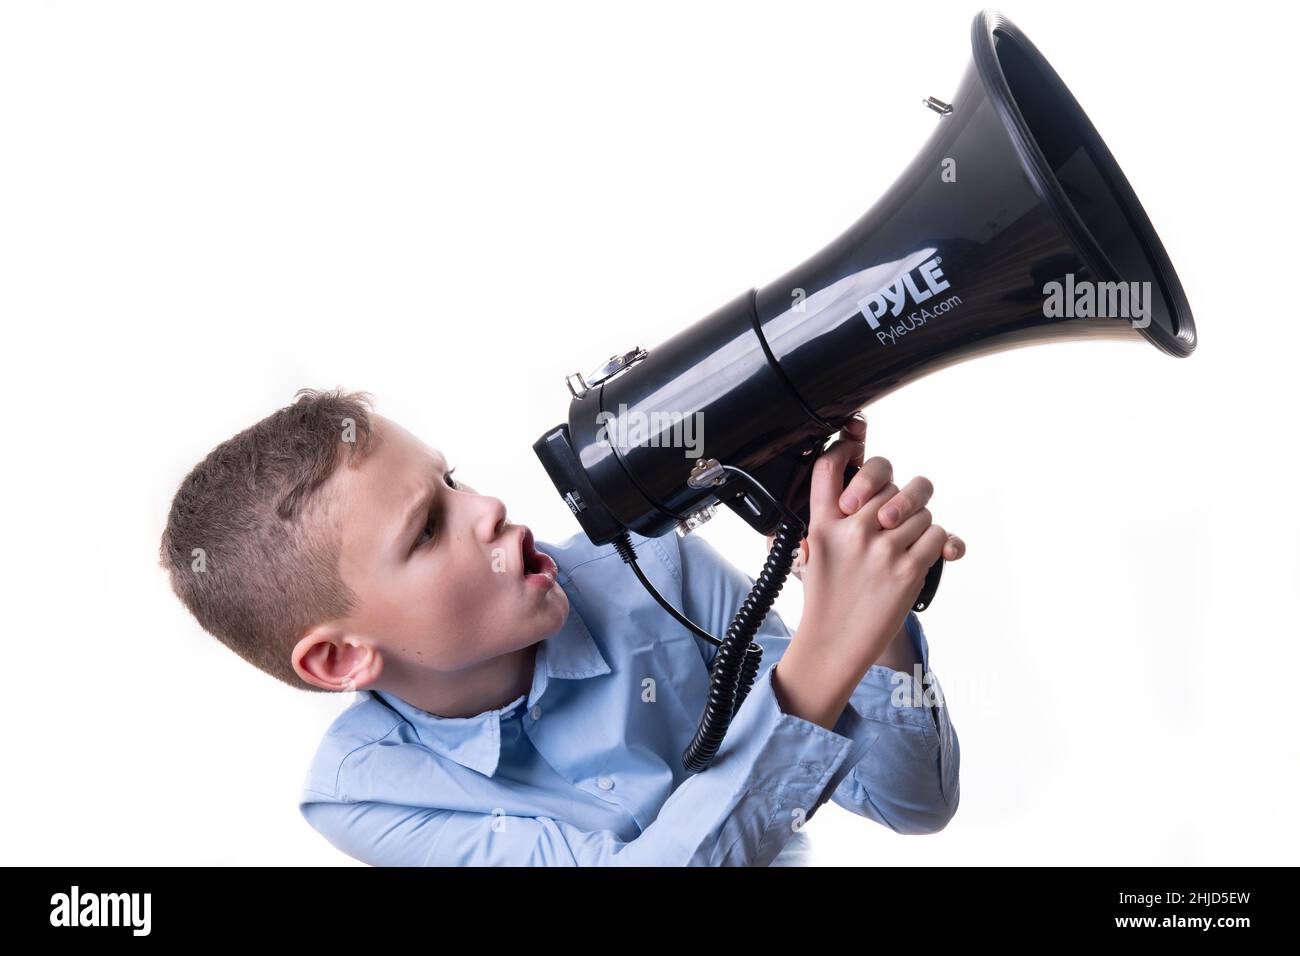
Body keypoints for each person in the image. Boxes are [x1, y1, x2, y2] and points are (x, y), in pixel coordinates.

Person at [159, 388, 965, 865]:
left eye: (454, 481)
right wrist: (826, 650)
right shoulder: (362, 793)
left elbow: (912, 802)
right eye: (430, 529)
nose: (488, 509)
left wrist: (872, 608)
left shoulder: (655, 570)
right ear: (339, 658)